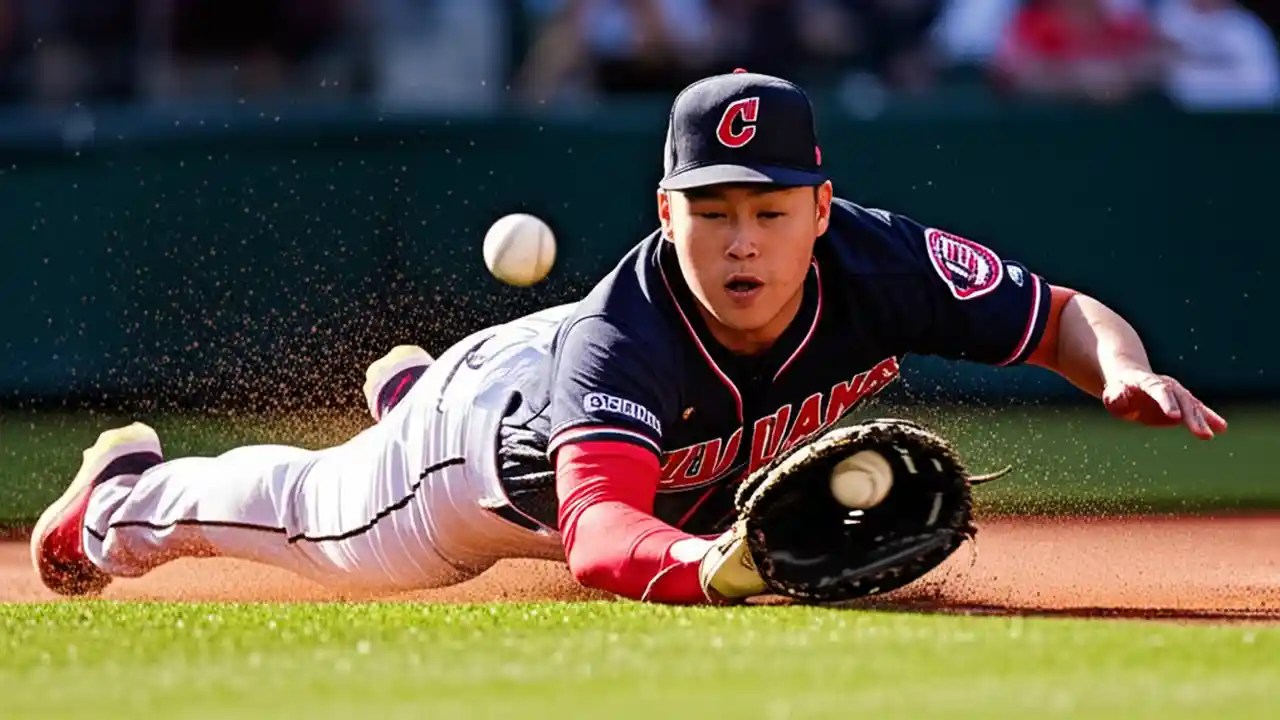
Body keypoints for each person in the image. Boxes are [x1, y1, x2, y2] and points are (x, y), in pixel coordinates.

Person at [32, 69, 1227, 604]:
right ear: (666, 214)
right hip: (474, 473)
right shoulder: (629, 334)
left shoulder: (881, 262)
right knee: (314, 516)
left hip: (548, 370)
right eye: (712, 212)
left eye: (768, 210)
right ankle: (123, 497)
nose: (742, 241)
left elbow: (1061, 315)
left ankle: (411, 386)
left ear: (821, 208)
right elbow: (599, 538)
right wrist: (714, 569)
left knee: (662, 457)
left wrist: (1119, 367)